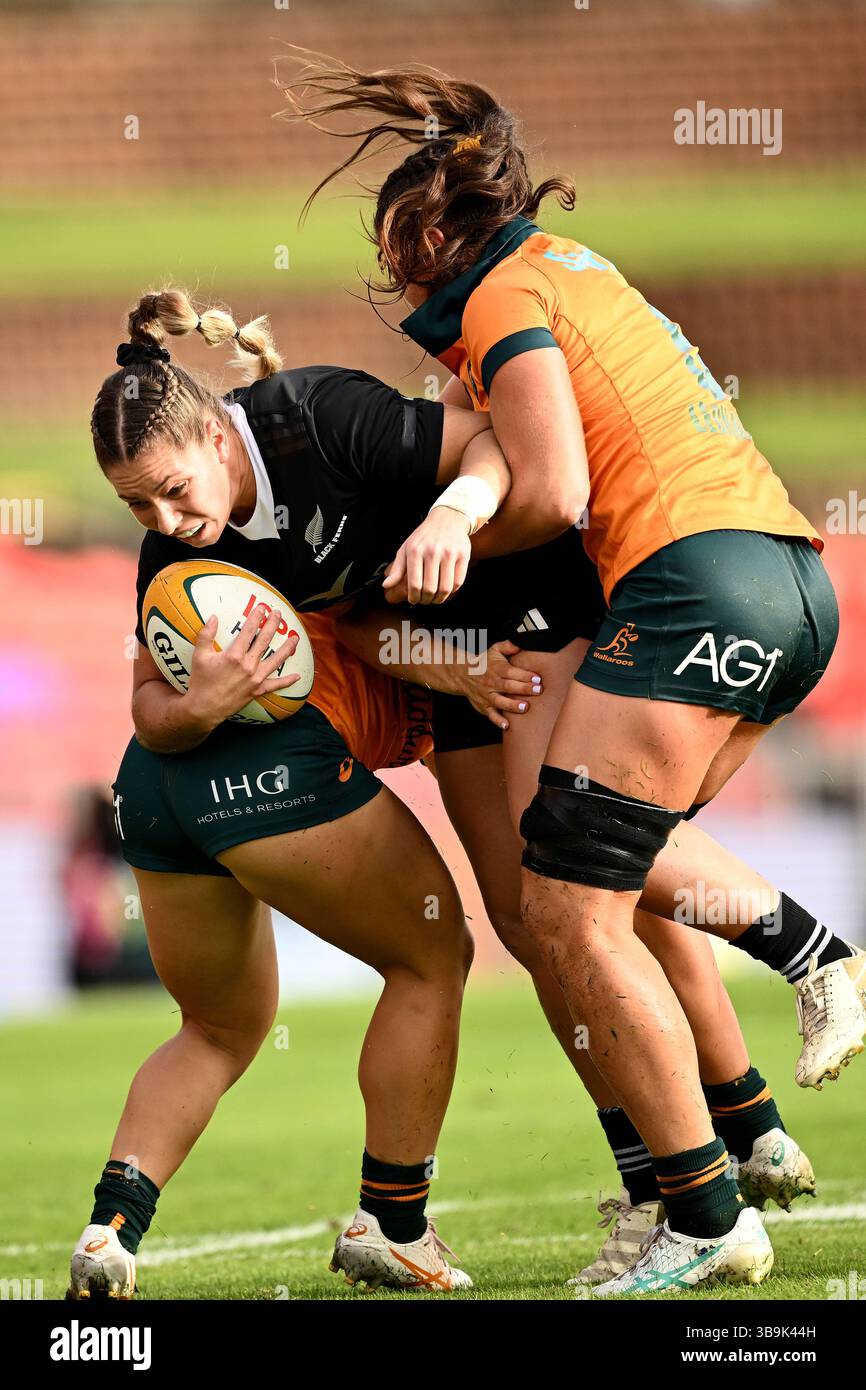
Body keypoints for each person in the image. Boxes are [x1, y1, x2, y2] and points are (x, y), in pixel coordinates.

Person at [277, 52, 864, 1294]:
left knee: (558, 908)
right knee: (602, 867)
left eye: (396, 238)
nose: (390, 270)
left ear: (437, 219)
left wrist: (424, 553)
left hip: (692, 575)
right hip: (785, 579)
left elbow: (551, 488)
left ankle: (718, 1172)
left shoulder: (502, 295)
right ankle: (734, 1140)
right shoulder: (558, 277)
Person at [69, 288, 517, 1298]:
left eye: (171, 492)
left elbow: (490, 441)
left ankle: (110, 1232)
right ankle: (394, 1222)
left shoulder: (322, 421)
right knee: (431, 952)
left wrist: (450, 518)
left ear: (218, 435)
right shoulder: (176, 544)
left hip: (159, 802)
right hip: (250, 776)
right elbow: (150, 709)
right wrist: (212, 698)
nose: (164, 522)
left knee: (218, 1028)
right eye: (137, 505)